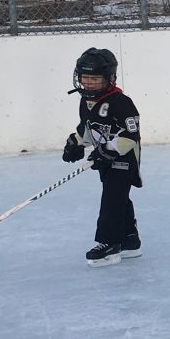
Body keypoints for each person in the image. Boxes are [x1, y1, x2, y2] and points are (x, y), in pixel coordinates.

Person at [62, 47, 142, 266]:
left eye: (95, 78)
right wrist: (76, 143)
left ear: (109, 78)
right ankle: (129, 239)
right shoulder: (85, 101)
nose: (89, 83)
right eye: (85, 77)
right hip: (105, 159)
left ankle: (109, 244)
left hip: (124, 159)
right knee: (118, 198)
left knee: (111, 199)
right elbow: (88, 129)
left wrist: (106, 151)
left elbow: (129, 136)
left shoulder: (121, 102)